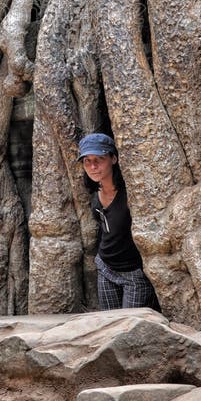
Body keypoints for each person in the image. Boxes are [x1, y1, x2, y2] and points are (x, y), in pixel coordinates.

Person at [78, 132, 160, 311]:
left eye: (99, 159)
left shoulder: (131, 193)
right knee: (110, 325)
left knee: (131, 328)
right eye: (87, 161)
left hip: (134, 273)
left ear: (113, 158)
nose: (93, 166)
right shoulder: (95, 192)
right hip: (106, 268)